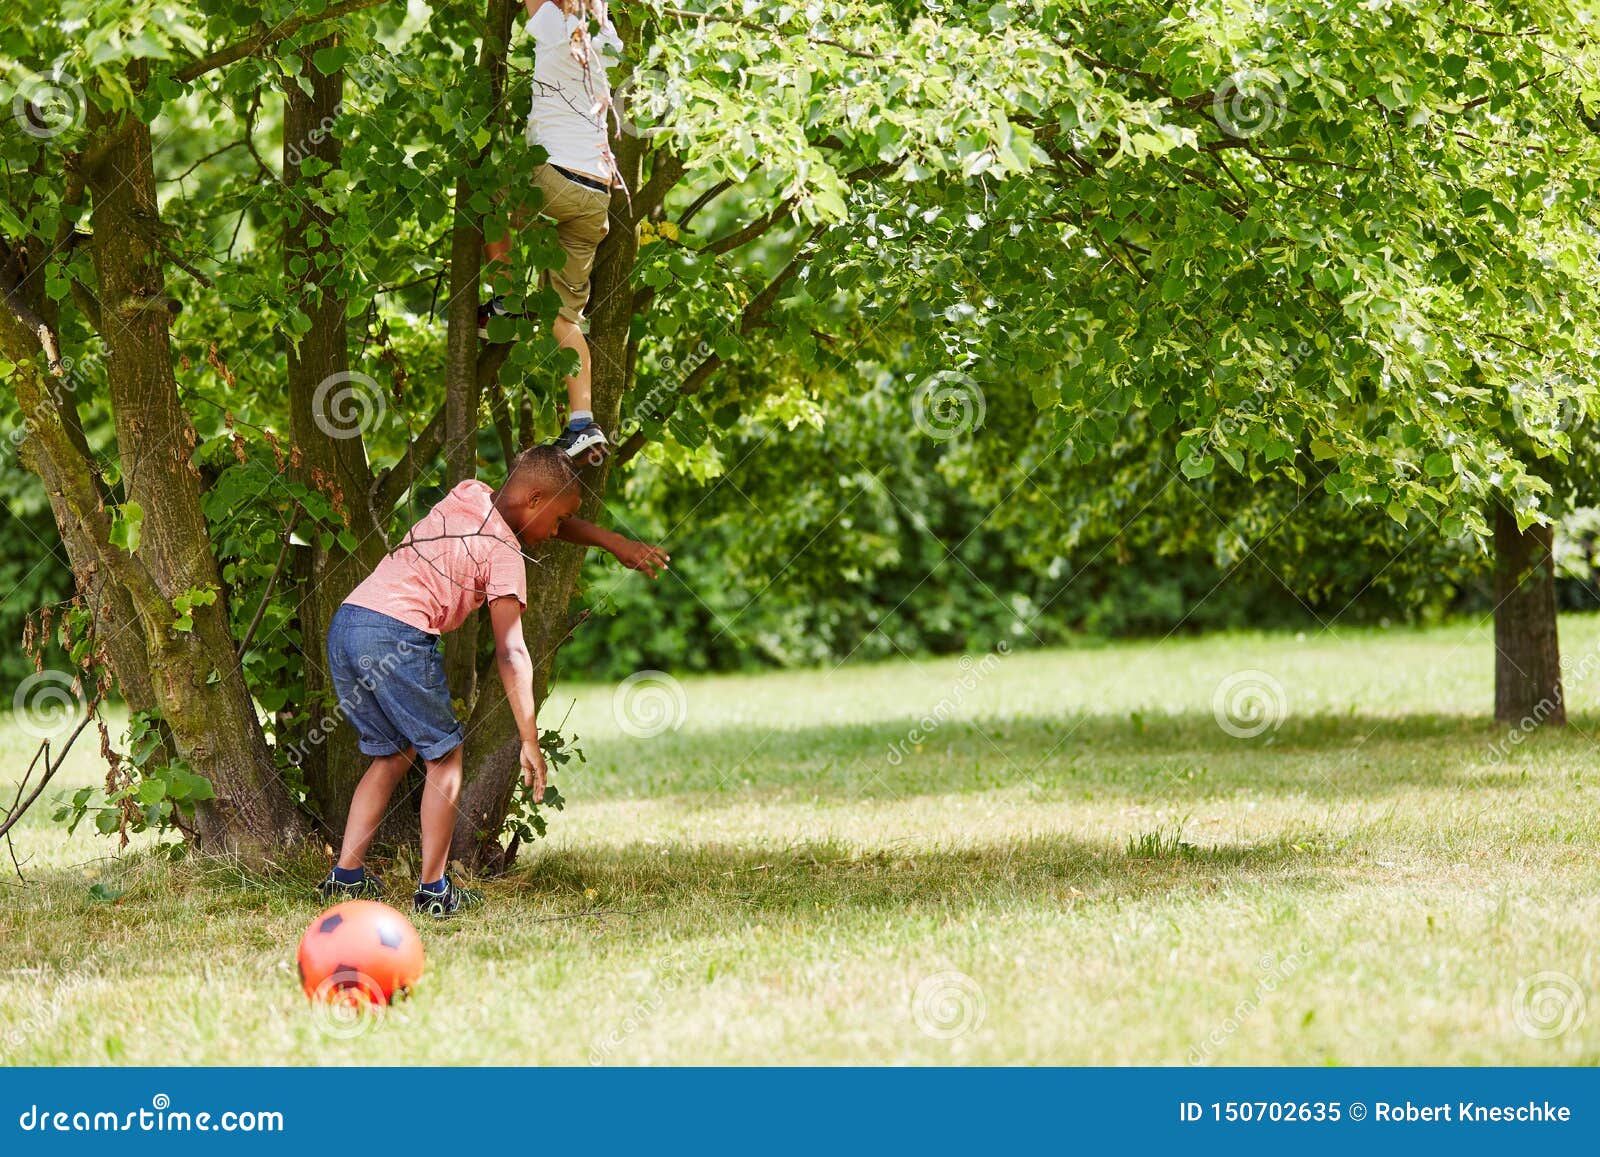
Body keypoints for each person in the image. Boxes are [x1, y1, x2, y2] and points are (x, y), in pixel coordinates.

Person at [317, 445, 669, 916]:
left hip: (349, 623)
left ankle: (345, 877)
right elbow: (511, 651)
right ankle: (434, 890)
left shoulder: (470, 494)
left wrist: (613, 541)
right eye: (559, 520)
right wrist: (529, 740)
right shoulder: (506, 554)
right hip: (398, 634)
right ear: (535, 498)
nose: (558, 533)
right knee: (445, 756)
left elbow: (538, 481)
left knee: (393, 754)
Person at [481, 0, 624, 462]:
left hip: (558, 177)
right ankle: (583, 423)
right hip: (596, 196)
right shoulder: (606, 41)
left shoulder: (556, 25)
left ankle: (506, 300)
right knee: (566, 315)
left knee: (491, 203)